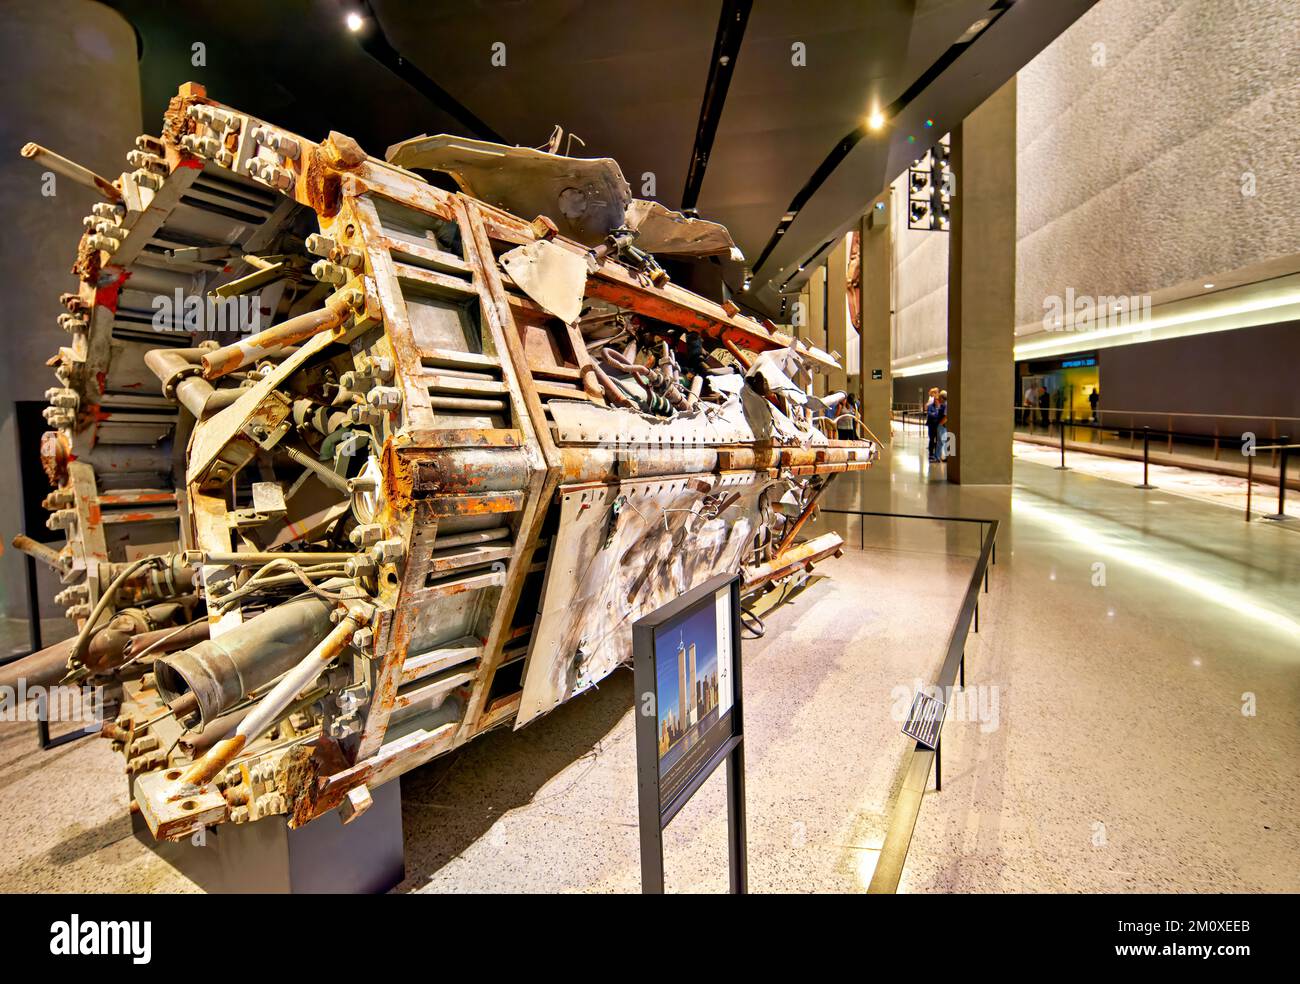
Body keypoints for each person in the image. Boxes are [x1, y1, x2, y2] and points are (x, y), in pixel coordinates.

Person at [925, 387, 941, 462]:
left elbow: (939, 415)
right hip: (931, 425)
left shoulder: (940, 407)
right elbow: (929, 414)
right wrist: (936, 414)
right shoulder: (931, 405)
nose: (936, 400)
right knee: (931, 439)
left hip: (938, 426)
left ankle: (937, 454)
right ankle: (931, 454)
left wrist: (935, 413)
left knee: (938, 440)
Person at [936, 390, 950, 461]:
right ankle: (940, 456)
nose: (938, 398)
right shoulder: (943, 404)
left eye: (939, 397)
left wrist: (940, 424)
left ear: (942, 398)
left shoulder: (946, 405)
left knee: (941, 441)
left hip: (943, 426)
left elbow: (946, 417)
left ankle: (937, 457)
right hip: (943, 425)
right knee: (942, 441)